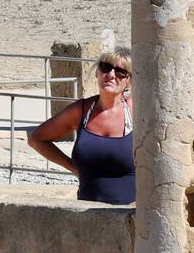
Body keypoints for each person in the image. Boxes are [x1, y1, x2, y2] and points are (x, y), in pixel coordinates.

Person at [27, 48, 135, 206]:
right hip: (86, 216)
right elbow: (36, 139)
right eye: (105, 68)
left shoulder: (137, 111)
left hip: (130, 217)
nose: (111, 75)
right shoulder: (81, 110)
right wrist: (73, 168)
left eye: (120, 72)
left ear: (129, 81)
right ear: (97, 73)